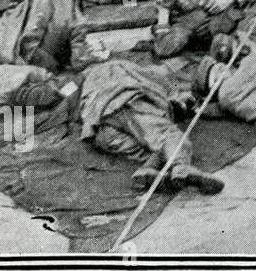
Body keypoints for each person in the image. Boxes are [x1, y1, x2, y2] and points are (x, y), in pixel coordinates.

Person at [79, 57, 225, 194]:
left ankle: (147, 170)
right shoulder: (118, 64)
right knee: (168, 135)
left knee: (153, 149)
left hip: (100, 129)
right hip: (127, 103)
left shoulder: (84, 83)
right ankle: (182, 168)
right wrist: (177, 92)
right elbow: (160, 77)